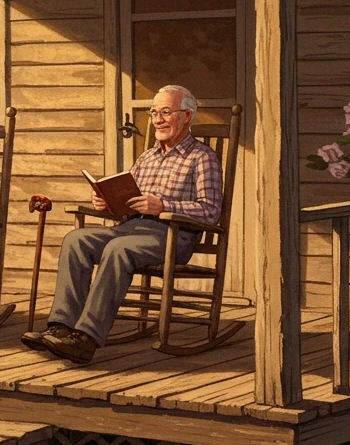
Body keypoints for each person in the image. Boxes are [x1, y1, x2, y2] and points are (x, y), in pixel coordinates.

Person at [24, 84, 222, 364]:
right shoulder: (147, 158)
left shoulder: (202, 158)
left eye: (166, 112)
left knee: (118, 248)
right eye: (154, 112)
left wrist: (163, 205)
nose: (158, 119)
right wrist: (107, 202)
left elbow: (211, 211)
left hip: (172, 236)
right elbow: (129, 199)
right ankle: (62, 327)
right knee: (75, 240)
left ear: (187, 115)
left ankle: (86, 339)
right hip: (130, 228)